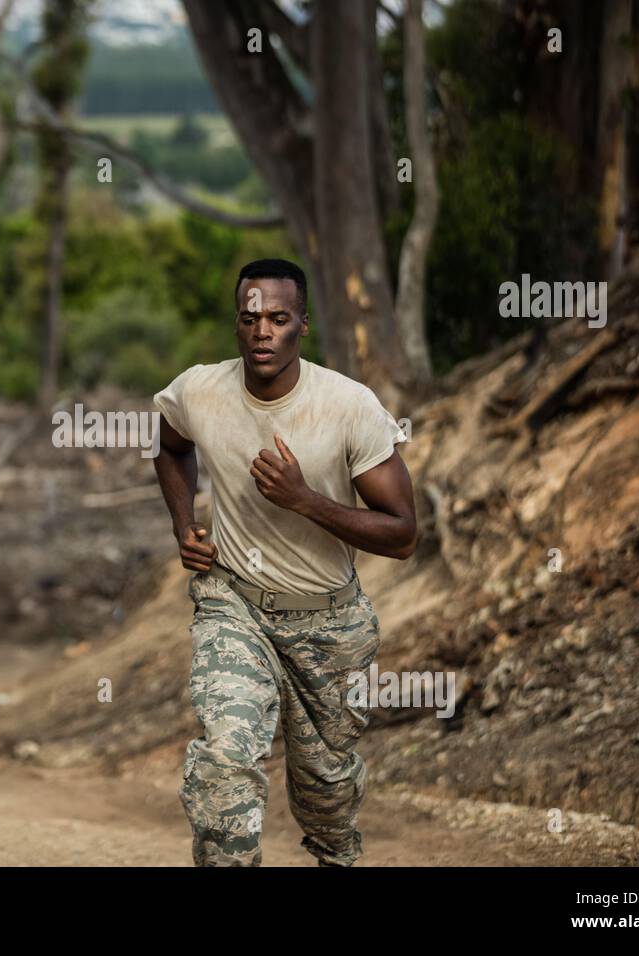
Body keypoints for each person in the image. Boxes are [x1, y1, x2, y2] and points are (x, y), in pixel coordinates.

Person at [152, 257, 416, 867]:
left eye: (277, 318)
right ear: (236, 324)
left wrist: (306, 501)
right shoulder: (199, 389)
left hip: (329, 624)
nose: (262, 332)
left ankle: (335, 852)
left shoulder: (348, 407)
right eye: (249, 319)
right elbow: (169, 446)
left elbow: (403, 535)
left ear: (304, 323)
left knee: (325, 790)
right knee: (226, 755)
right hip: (234, 604)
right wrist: (182, 523)